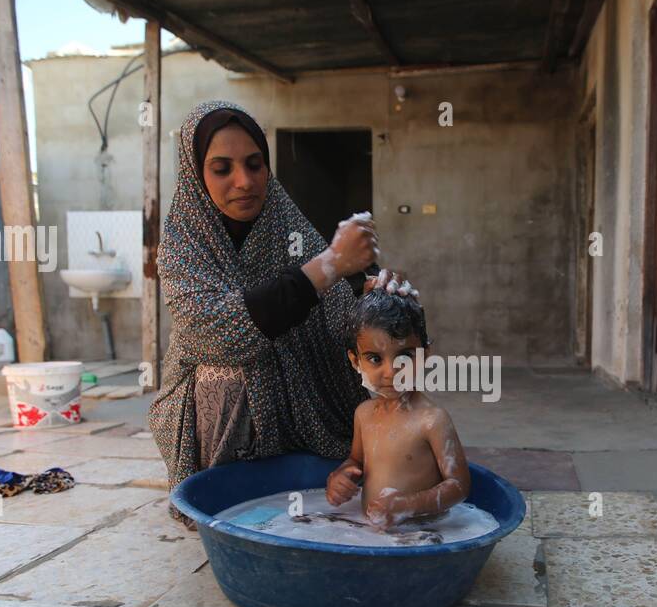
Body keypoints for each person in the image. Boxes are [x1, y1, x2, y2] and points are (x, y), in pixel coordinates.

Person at [149, 100, 418, 528]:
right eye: (222, 169)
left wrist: (372, 302)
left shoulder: (285, 224)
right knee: (227, 370)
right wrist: (327, 265)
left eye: (255, 164)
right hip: (222, 401)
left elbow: (340, 326)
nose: (245, 181)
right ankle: (224, 487)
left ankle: (303, 467)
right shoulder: (184, 245)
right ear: (196, 174)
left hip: (303, 402)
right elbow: (219, 332)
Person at [325, 290, 470, 529]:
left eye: (404, 357)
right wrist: (340, 477)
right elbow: (356, 462)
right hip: (370, 530)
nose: (391, 371)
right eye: (374, 359)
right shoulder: (364, 414)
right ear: (355, 361)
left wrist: (407, 505)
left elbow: (459, 485)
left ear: (425, 355)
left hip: (422, 533)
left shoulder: (432, 420)